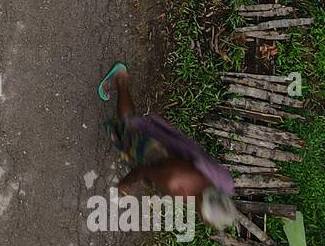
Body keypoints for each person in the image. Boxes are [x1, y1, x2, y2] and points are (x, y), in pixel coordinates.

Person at [99, 62, 238, 229]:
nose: (203, 220)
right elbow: (143, 171)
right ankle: (121, 78)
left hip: (168, 157)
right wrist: (126, 182)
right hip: (156, 154)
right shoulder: (175, 181)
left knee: (131, 127)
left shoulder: (219, 185)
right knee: (128, 125)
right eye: (205, 218)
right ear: (203, 204)